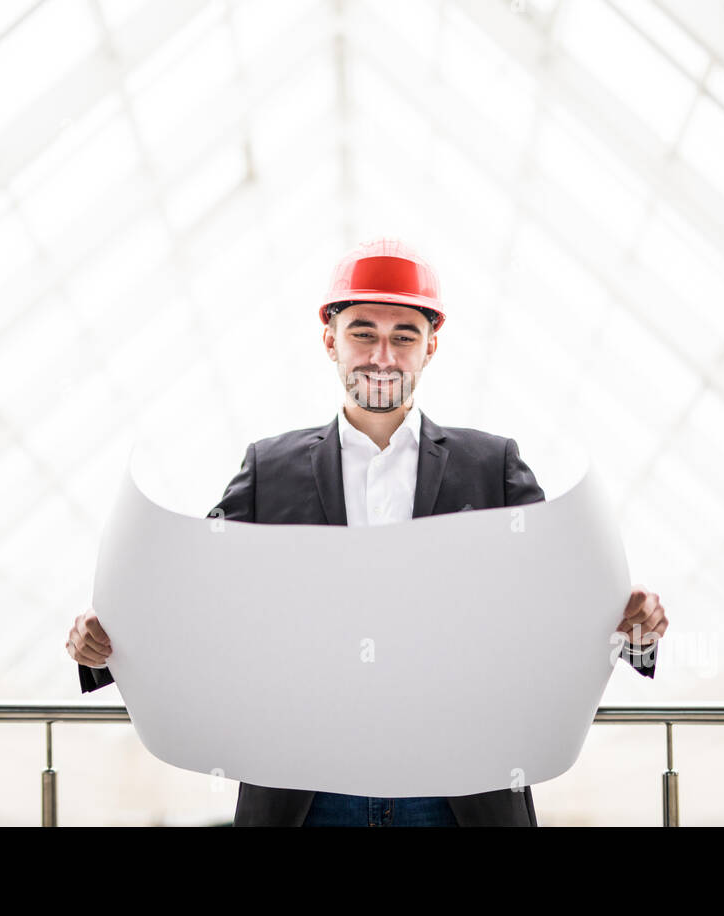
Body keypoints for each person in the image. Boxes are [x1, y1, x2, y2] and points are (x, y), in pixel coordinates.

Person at [66, 237, 669, 826]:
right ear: (330, 340)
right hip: (304, 793)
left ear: (431, 347)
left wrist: (636, 630)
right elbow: (199, 601)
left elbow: (559, 603)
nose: (383, 355)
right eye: (363, 333)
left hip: (458, 792)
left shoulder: (491, 467)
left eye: (404, 336)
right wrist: (106, 645)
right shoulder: (268, 470)